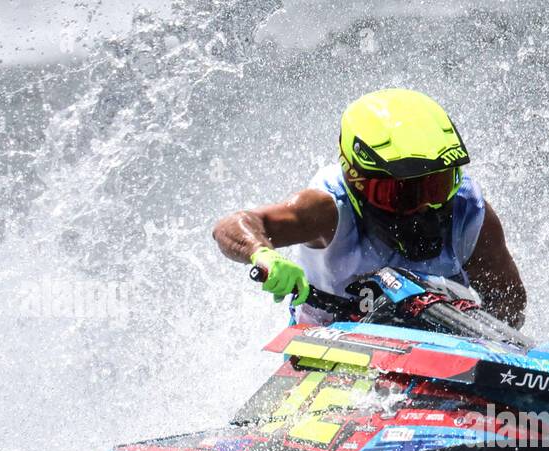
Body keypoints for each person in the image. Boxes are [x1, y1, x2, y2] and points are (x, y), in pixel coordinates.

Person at [212, 88, 527, 327]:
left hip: (436, 352)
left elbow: (510, 306)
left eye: (435, 187)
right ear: (357, 181)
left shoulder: (468, 213)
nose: (421, 208)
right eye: (401, 194)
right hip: (325, 352)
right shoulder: (327, 208)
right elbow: (233, 225)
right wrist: (262, 254)